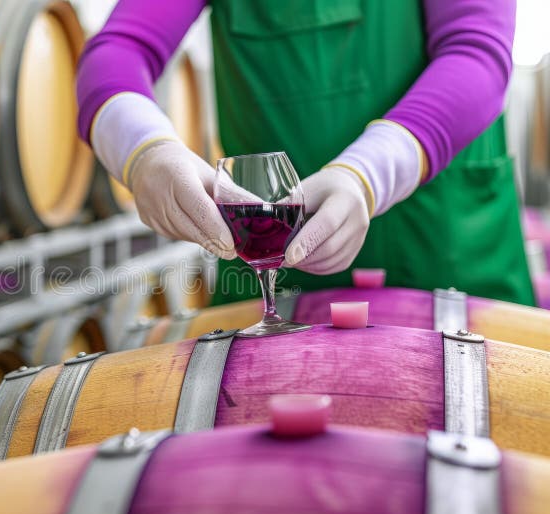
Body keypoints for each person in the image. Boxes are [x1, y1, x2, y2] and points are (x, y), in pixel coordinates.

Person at [77, 0, 535, 306]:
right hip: (271, 268)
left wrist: (367, 175)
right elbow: (118, 50)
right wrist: (145, 150)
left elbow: (478, 53)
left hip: (451, 251)